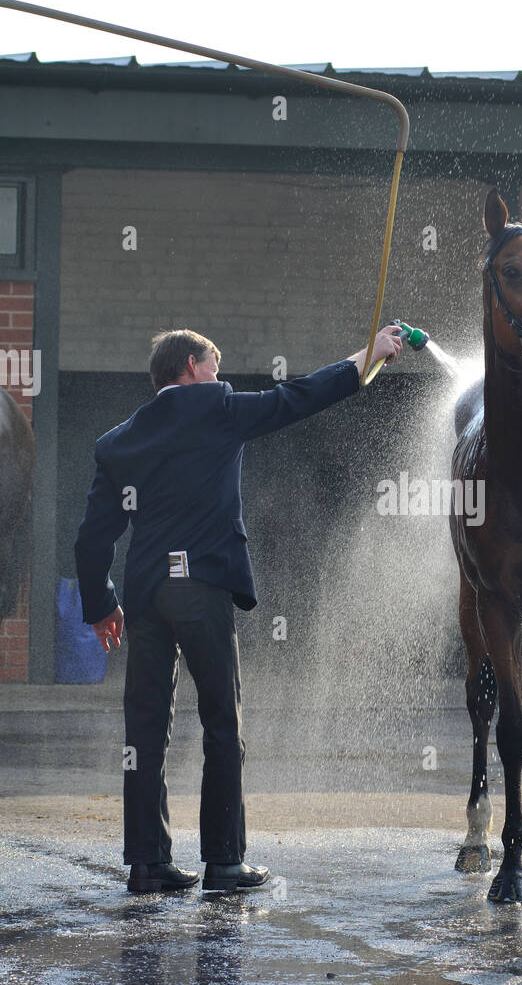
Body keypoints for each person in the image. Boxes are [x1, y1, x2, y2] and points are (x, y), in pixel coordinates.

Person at [75, 325, 403, 894]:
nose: (220, 375)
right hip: (200, 587)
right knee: (222, 723)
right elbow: (297, 398)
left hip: (147, 593)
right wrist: (366, 356)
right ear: (191, 369)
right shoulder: (217, 407)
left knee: (145, 729)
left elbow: (91, 539)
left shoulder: (118, 441)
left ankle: (147, 863)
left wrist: (101, 604)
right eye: (214, 364)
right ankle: (224, 862)